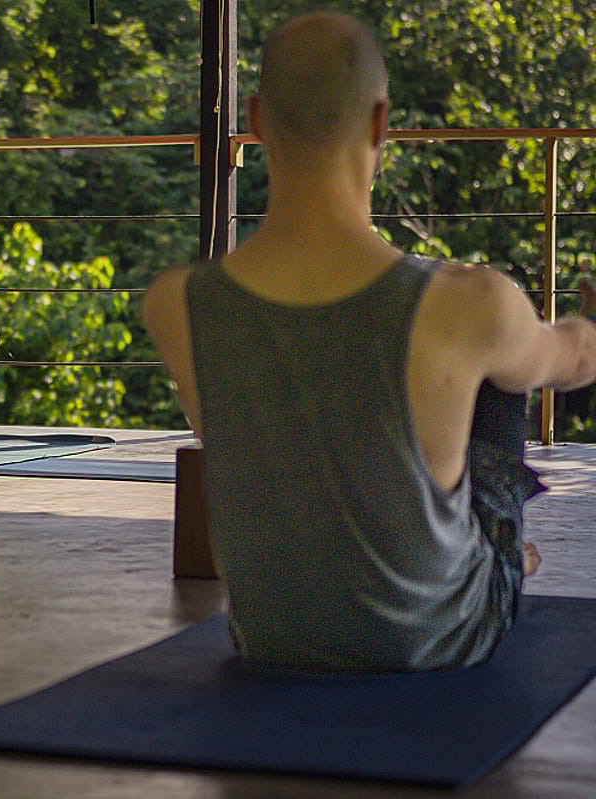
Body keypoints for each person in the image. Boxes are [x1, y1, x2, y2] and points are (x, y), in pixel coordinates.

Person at [145, 11, 596, 672]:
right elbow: (576, 359)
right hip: (440, 641)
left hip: (272, 638)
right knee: (502, 376)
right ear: (382, 123)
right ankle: (503, 555)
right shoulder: (467, 301)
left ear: (257, 119)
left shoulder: (175, 302)